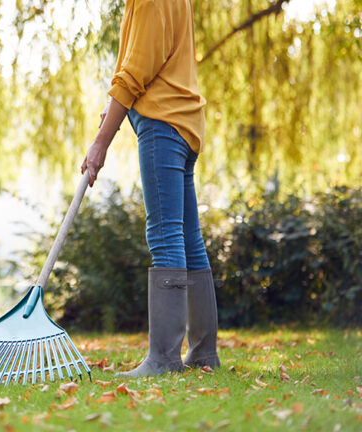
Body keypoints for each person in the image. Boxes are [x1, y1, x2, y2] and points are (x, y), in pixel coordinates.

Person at [81, 0, 220, 377]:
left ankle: (163, 358)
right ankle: (204, 352)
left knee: (164, 233)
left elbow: (133, 74)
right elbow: (150, 64)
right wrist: (112, 113)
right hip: (184, 122)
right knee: (189, 238)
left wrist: (100, 144)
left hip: (162, 124)